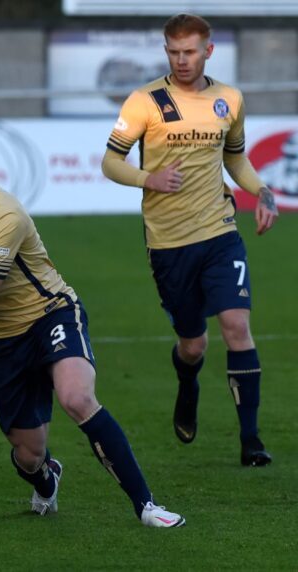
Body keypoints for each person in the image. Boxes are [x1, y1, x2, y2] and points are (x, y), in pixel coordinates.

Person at [0, 137, 185, 528]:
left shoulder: (2, 218)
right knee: (29, 455)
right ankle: (47, 479)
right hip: (1, 340)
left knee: (77, 398)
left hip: (50, 315)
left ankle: (147, 506)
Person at [101, 13, 278, 466]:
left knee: (237, 327)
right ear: (167, 51)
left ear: (208, 51)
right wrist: (149, 179)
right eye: (174, 52)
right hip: (168, 242)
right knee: (193, 344)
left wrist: (264, 192)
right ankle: (187, 381)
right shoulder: (144, 101)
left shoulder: (229, 100)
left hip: (220, 232)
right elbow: (110, 162)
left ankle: (251, 441)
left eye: (190, 52)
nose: (182, 60)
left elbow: (236, 161)